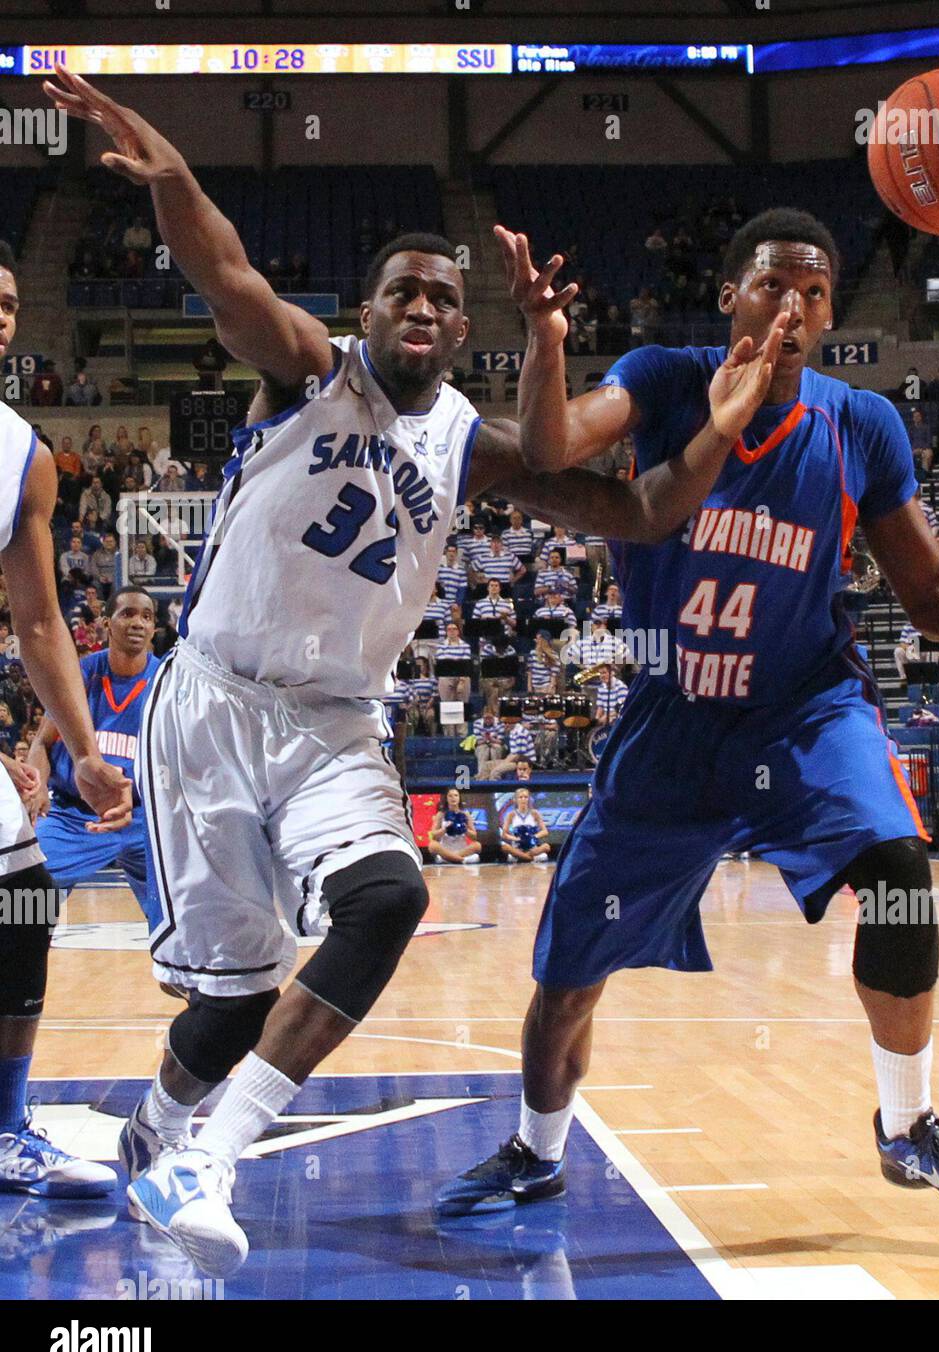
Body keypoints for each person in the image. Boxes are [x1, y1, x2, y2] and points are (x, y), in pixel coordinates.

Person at [46, 65, 788, 1277]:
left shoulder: (472, 446)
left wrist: (719, 418)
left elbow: (643, 511)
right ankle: (152, 1135)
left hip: (336, 723)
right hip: (215, 707)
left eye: (447, 297)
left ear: (461, 324)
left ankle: (208, 1152)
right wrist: (170, 169)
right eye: (405, 291)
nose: (427, 309)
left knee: (388, 900)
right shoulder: (306, 369)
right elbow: (223, 270)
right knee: (229, 1004)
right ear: (373, 309)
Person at [438, 207, 939, 1224]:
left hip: (803, 708)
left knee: (895, 872)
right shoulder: (666, 379)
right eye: (770, 286)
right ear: (729, 299)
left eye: (811, 293)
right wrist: (544, 339)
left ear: (830, 312)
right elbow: (545, 444)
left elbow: (935, 600)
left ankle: (909, 1124)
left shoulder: (860, 425)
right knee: (572, 961)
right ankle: (536, 1151)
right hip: (673, 714)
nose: (790, 308)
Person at [0, 236, 132, 1200]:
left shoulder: (22, 455)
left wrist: (83, 751)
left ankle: (5, 1129)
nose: (0, 315)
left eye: (8, 302)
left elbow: (40, 618)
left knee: (24, 899)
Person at [26, 586, 160, 933]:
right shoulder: (80, 674)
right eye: (127, 614)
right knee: (23, 901)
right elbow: (42, 743)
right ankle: (18, 978)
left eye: (146, 616)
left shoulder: (166, 681)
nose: (138, 623)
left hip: (145, 819)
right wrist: (36, 788)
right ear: (106, 623)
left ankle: (188, 978)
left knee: (185, 924)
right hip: (74, 816)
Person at [428, 787, 480, 865]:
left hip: (462, 849)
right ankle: (462, 860)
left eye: (456, 795)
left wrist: (465, 829)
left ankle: (449, 859)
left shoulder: (465, 814)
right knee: (432, 845)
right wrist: (445, 829)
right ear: (446, 798)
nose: (453, 798)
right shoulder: (441, 814)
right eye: (450, 796)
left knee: (477, 845)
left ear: (459, 798)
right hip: (445, 849)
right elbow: (434, 836)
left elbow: (474, 836)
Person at [500, 786, 551, 863]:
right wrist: (516, 839)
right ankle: (528, 858)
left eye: (525, 797)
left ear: (528, 799)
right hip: (518, 847)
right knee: (504, 847)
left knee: (546, 846)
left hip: (532, 847)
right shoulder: (511, 814)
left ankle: (523, 857)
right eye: (520, 797)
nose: (523, 799)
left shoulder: (535, 813)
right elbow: (504, 834)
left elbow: (545, 831)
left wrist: (533, 837)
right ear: (516, 800)